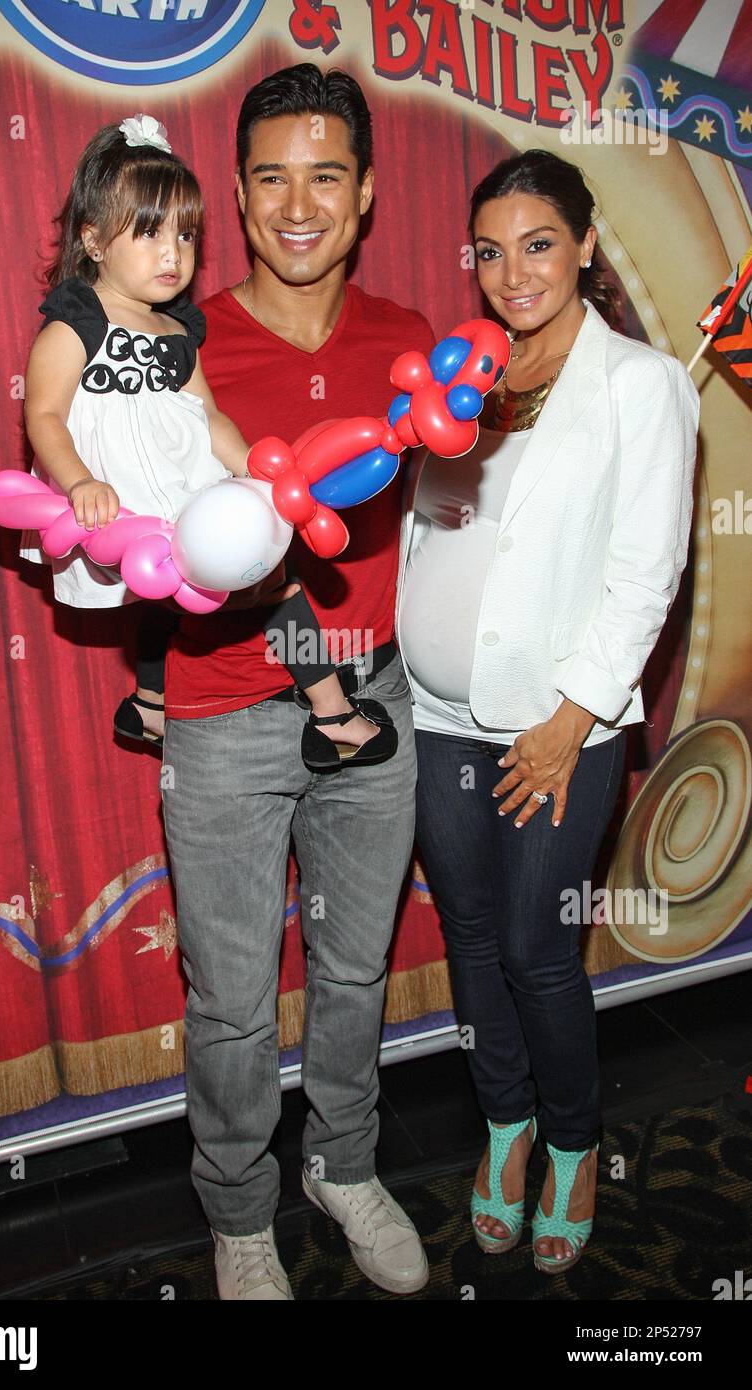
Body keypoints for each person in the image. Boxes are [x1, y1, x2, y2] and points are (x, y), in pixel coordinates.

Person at [396, 149, 699, 1274]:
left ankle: (572, 1140)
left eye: (535, 243)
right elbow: (435, 532)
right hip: (436, 713)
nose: (510, 270)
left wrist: (573, 717)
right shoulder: (462, 372)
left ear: (581, 243)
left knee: (534, 945)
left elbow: (643, 574)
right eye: (488, 249)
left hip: (554, 722)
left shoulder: (636, 385)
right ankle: (505, 1127)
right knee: (468, 934)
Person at [160, 64, 435, 1299]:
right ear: (236, 191)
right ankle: (235, 1213)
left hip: (368, 704)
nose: (297, 200)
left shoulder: (408, 346)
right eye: (270, 174)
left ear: (365, 192)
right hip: (222, 717)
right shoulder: (174, 345)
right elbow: (121, 538)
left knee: (353, 969)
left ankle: (343, 1163)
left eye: (325, 173)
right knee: (226, 1002)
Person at [19, 114, 395, 773]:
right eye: (149, 232)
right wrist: (79, 481)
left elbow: (208, 418)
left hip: (178, 488)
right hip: (117, 497)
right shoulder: (73, 326)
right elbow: (44, 414)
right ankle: (333, 713)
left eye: (185, 235)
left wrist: (253, 465)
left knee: (243, 576)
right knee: (232, 584)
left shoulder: (178, 332)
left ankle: (150, 700)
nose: (173, 254)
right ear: (94, 240)